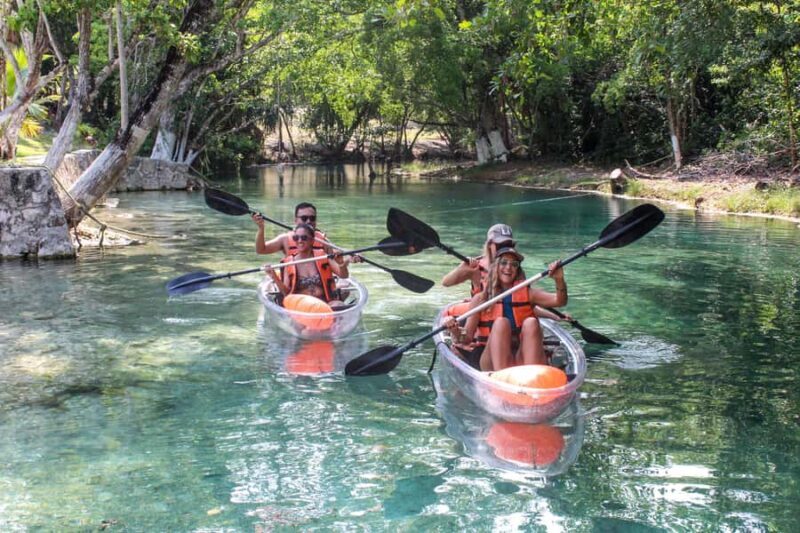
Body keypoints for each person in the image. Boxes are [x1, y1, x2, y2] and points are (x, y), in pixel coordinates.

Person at [446, 246, 568, 372]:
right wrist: (455, 330)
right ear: (496, 267)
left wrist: (559, 280)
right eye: (504, 263)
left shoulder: (528, 293)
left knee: (531, 322)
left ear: (517, 269)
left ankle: (532, 377)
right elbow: (466, 339)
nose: (508, 267)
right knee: (501, 323)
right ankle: (502, 378)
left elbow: (560, 301)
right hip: (491, 360)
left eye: (514, 264)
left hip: (521, 355)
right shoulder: (480, 299)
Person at [442, 223, 570, 322]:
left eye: (508, 244)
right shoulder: (474, 267)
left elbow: (522, 304)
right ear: (489, 245)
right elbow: (446, 283)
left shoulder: (515, 269)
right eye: (500, 244)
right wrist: (461, 268)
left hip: (505, 320)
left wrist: (555, 317)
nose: (505, 248)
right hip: (479, 318)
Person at [263, 223, 350, 306]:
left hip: (324, 303)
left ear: (312, 240)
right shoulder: (290, 263)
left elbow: (344, 275)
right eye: (296, 238)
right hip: (301, 306)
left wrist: (342, 265)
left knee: (339, 304)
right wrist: (274, 276)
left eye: (304, 237)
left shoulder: (323, 256)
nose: (300, 241)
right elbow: (286, 293)